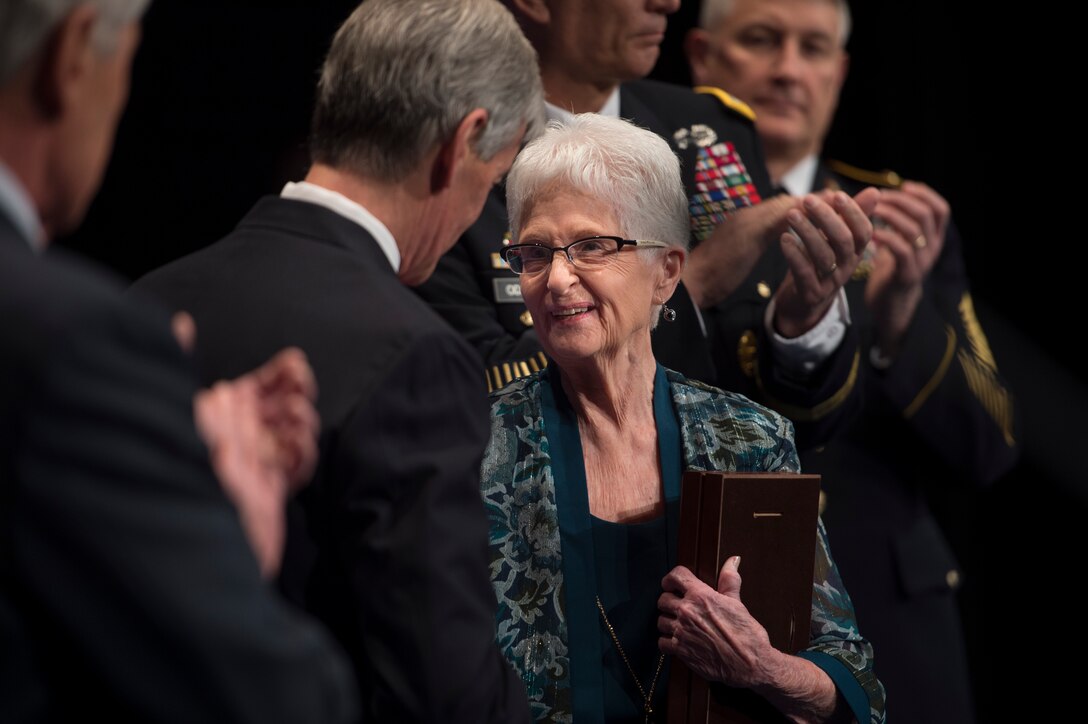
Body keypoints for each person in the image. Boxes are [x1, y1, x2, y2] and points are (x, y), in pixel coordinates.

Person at [128, 0, 545, 721]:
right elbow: (445, 694)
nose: (478, 215)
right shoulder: (417, 358)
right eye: (493, 181)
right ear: (461, 143)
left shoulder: (146, 303)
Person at [0, 0, 359, 721]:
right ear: (73, 55)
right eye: (129, 63)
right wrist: (224, 528)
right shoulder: (76, 343)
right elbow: (284, 699)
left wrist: (147, 457)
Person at [481, 112, 885, 723]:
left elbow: (855, 688)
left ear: (667, 272)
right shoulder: (476, 446)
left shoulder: (750, 438)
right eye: (535, 253)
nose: (558, 279)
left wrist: (762, 667)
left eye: (592, 246)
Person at [684, 1, 1020, 722]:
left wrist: (902, 317)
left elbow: (991, 445)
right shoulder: (662, 208)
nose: (788, 70)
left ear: (839, 74)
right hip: (721, 606)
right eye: (761, 40)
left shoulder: (899, 219)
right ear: (701, 56)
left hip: (891, 614)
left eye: (812, 48)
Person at [414, 0, 882, 452]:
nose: (667, 4)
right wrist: (688, 285)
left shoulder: (710, 132)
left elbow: (795, 429)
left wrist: (799, 323)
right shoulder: (451, 152)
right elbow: (455, 398)